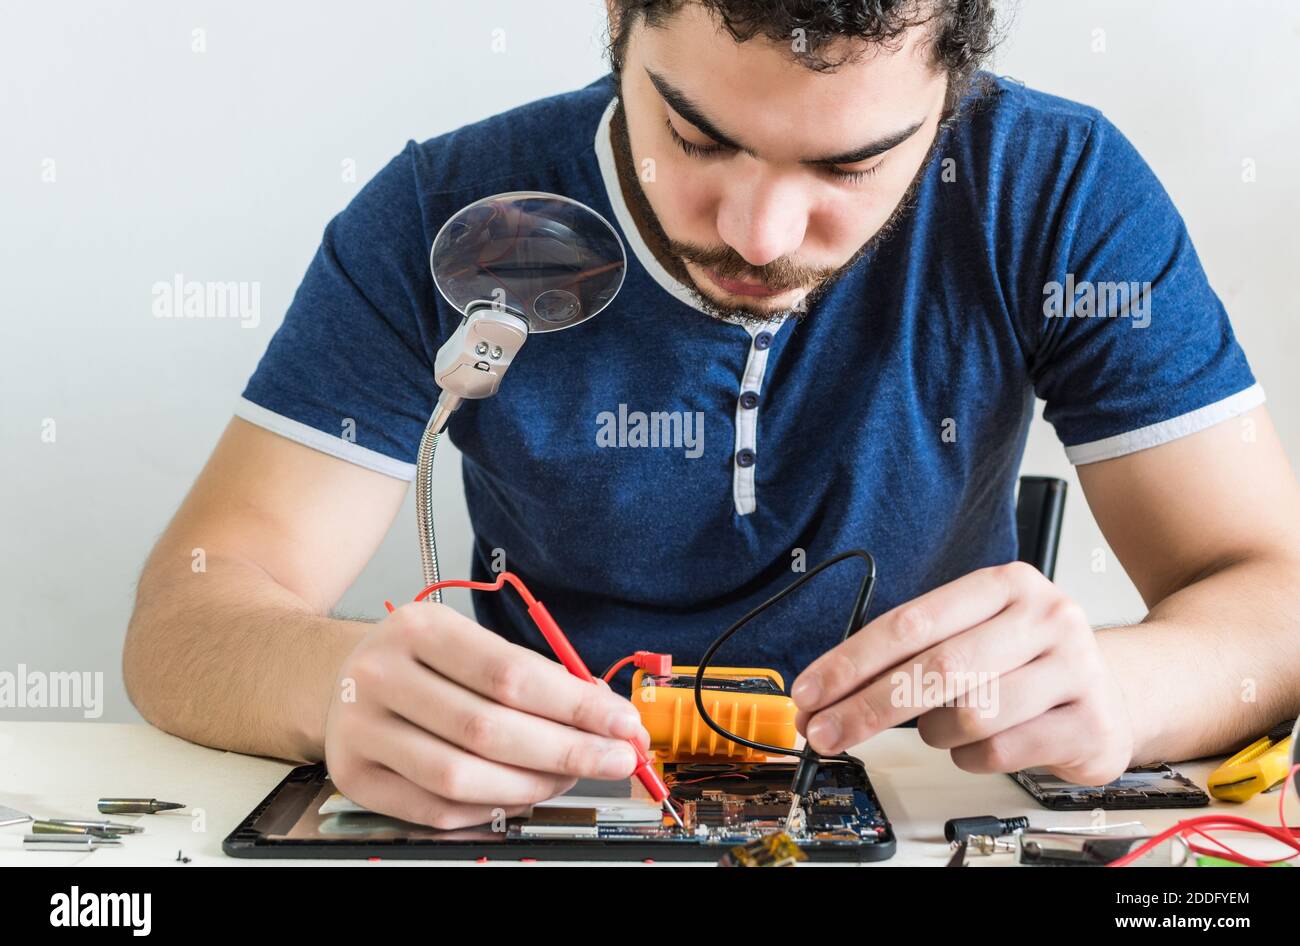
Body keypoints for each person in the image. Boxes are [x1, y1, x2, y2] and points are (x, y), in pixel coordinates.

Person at [124, 0, 1300, 829]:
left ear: (951, 85)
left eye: (848, 167)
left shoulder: (1056, 189)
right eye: (697, 135)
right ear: (618, 21)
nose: (760, 233)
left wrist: (1122, 688)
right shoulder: (450, 215)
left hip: (910, 797)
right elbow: (187, 615)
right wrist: (332, 684)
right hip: (542, 806)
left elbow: (1271, 593)